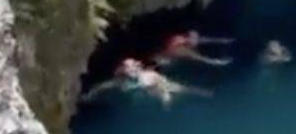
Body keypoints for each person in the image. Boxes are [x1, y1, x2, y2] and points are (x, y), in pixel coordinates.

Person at [81, 58, 212, 106]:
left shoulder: (149, 76)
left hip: (161, 87)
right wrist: (90, 95)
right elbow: (101, 86)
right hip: (140, 94)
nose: (130, 70)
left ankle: (206, 94)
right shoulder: (120, 81)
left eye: (132, 67)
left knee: (186, 90)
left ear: (138, 68)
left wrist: (165, 99)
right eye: (128, 68)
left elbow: (162, 87)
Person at [154, 30, 233, 67]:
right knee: (198, 45)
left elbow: (201, 58)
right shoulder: (178, 49)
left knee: (198, 44)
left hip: (176, 44)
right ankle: (223, 42)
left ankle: (223, 41)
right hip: (176, 45)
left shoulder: (178, 49)